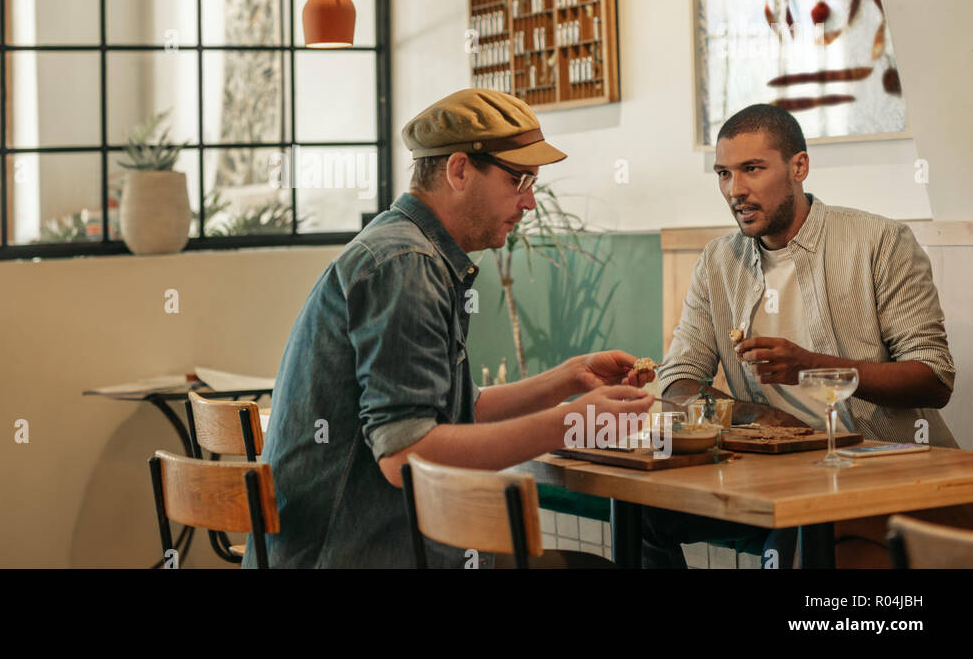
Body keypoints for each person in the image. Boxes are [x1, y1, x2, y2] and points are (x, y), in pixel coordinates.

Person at [242, 89, 654, 569]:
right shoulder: (406, 264)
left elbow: (457, 411)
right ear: (459, 170)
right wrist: (573, 421)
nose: (530, 203)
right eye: (518, 179)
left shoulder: (406, 249)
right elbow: (406, 455)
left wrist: (568, 377)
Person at [650, 103, 960, 568]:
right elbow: (677, 382)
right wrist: (759, 416)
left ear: (799, 166)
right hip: (777, 471)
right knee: (647, 515)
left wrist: (812, 366)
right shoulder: (718, 263)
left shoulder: (880, 242)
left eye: (752, 169)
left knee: (801, 541)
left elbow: (933, 379)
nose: (735, 190)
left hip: (882, 470)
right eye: (723, 174)